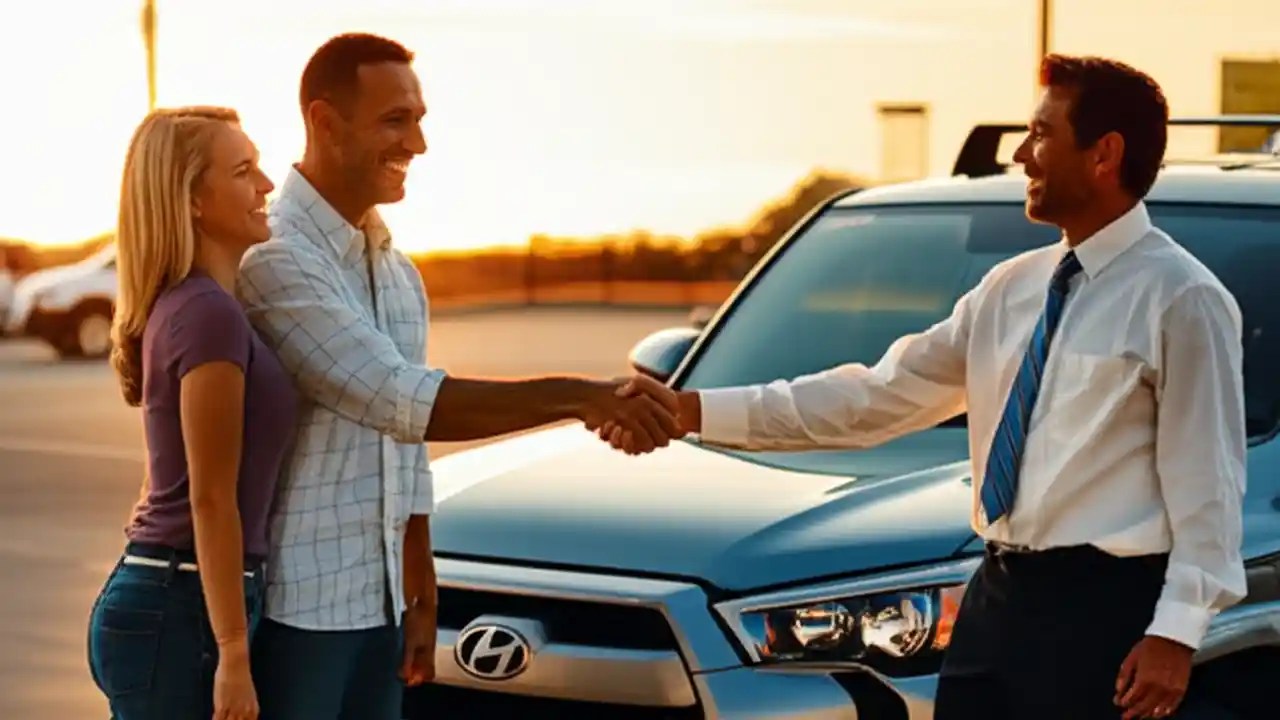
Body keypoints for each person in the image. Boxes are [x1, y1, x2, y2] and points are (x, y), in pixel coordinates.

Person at [609, 54, 1248, 720]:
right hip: (994, 599)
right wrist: (690, 410)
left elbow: (1210, 485)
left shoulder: (1184, 299)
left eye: (1041, 135)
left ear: (1103, 154)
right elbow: (871, 400)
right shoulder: (1010, 289)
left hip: (1106, 614)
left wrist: (1175, 632)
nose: (1024, 156)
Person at [236, 33, 680, 720]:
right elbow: (399, 401)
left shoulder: (396, 270)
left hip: (380, 606)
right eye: (395, 120)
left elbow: (404, 453)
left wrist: (423, 594)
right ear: (325, 122)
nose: (417, 144)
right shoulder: (275, 258)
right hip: (299, 608)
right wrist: (581, 398)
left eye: (418, 119)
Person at [87, 106, 294, 720]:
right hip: (177, 610)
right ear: (194, 200)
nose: (266, 185)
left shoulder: (200, 305)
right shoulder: (207, 313)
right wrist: (233, 651)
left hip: (174, 597)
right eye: (243, 170)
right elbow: (210, 497)